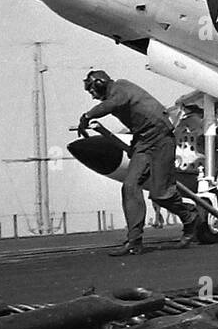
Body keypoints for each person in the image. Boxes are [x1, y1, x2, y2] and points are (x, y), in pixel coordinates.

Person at [79, 70, 199, 255]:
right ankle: (134, 241)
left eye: (92, 90)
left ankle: (190, 216)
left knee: (161, 195)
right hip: (143, 141)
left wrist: (87, 116)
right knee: (130, 186)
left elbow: (114, 103)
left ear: (100, 83)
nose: (93, 96)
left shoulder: (120, 88)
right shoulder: (114, 94)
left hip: (161, 139)